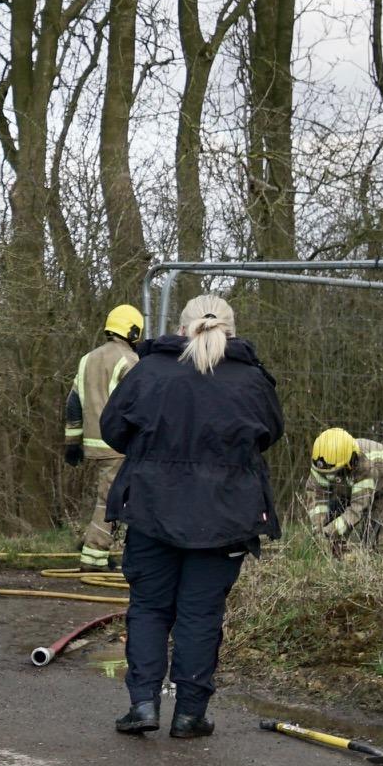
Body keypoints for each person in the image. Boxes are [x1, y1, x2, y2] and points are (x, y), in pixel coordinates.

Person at [99, 295, 283, 739]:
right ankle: (189, 713)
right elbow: (270, 433)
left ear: (181, 329)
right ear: (231, 330)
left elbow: (112, 428)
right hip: (224, 515)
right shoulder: (252, 380)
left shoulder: (150, 372)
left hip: (151, 509)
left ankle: (143, 704)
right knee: (201, 615)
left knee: (149, 607)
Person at [63, 304, 143, 570]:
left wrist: (72, 443)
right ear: (133, 331)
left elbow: (73, 402)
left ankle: (91, 538)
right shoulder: (129, 361)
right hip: (118, 445)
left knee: (105, 496)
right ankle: (93, 555)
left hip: (93, 444)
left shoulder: (88, 358)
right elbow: (139, 404)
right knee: (111, 500)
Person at [308, 428, 383, 553]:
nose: (329, 477)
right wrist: (318, 528)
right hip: (353, 483)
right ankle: (336, 557)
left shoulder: (365, 465)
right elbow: (316, 496)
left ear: (349, 462)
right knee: (333, 519)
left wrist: (328, 532)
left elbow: (357, 508)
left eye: (334, 472)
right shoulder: (323, 461)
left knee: (374, 541)